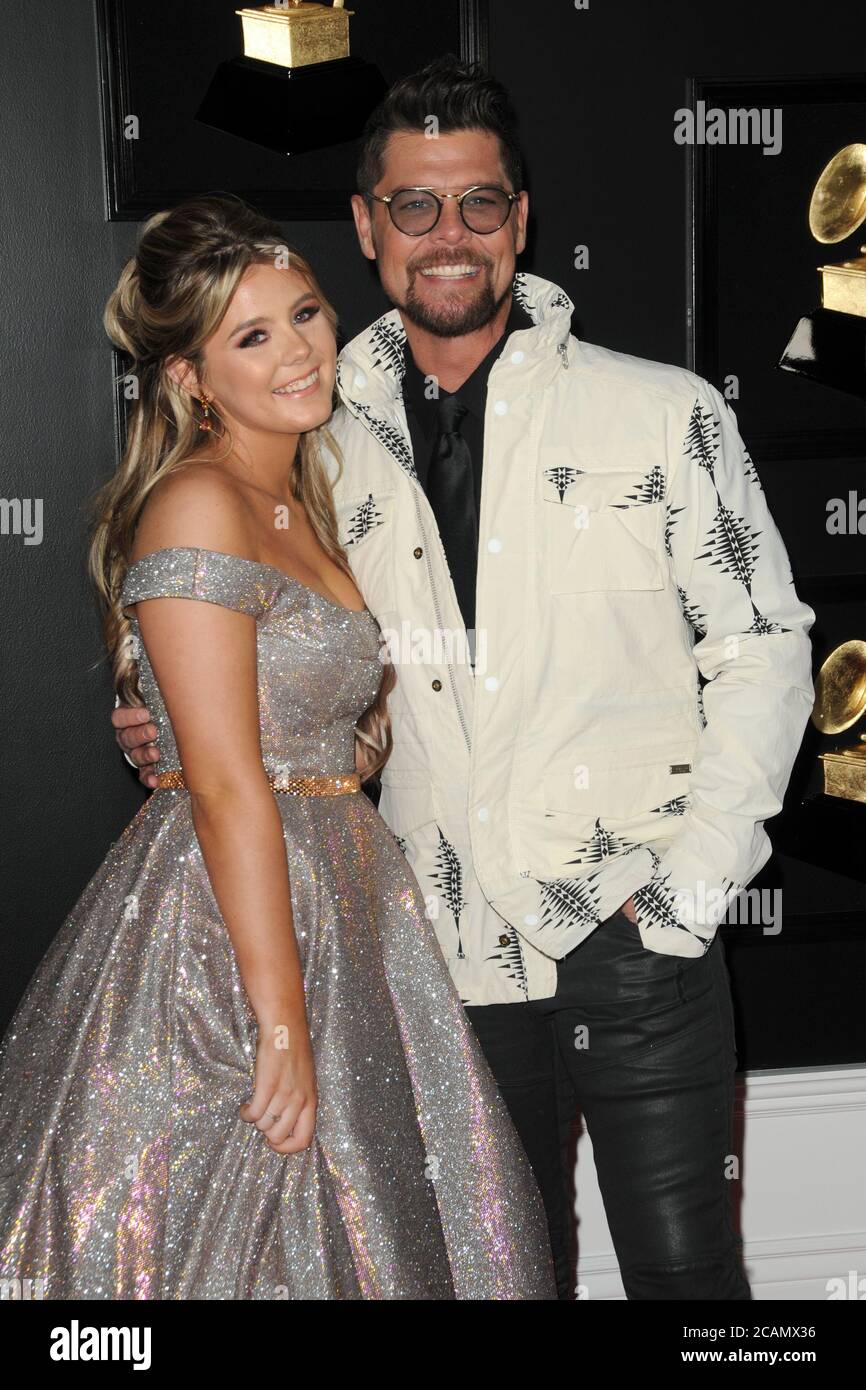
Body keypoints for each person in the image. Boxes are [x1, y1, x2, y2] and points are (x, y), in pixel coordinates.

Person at [114, 57, 816, 1300]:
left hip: (634, 934)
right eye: (416, 206)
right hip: (428, 954)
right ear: (369, 228)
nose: (450, 236)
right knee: (485, 1283)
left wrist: (688, 886)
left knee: (692, 1288)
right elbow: (236, 626)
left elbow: (761, 645)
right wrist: (173, 718)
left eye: (479, 204)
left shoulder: (665, 415)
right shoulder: (311, 438)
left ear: (520, 222)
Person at [0, 193, 557, 1300]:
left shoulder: (303, 491)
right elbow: (222, 785)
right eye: (252, 337)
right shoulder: (196, 503)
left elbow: (320, 723)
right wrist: (279, 1020)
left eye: (303, 314)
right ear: (187, 377)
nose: (301, 350)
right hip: (233, 932)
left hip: (349, 902)